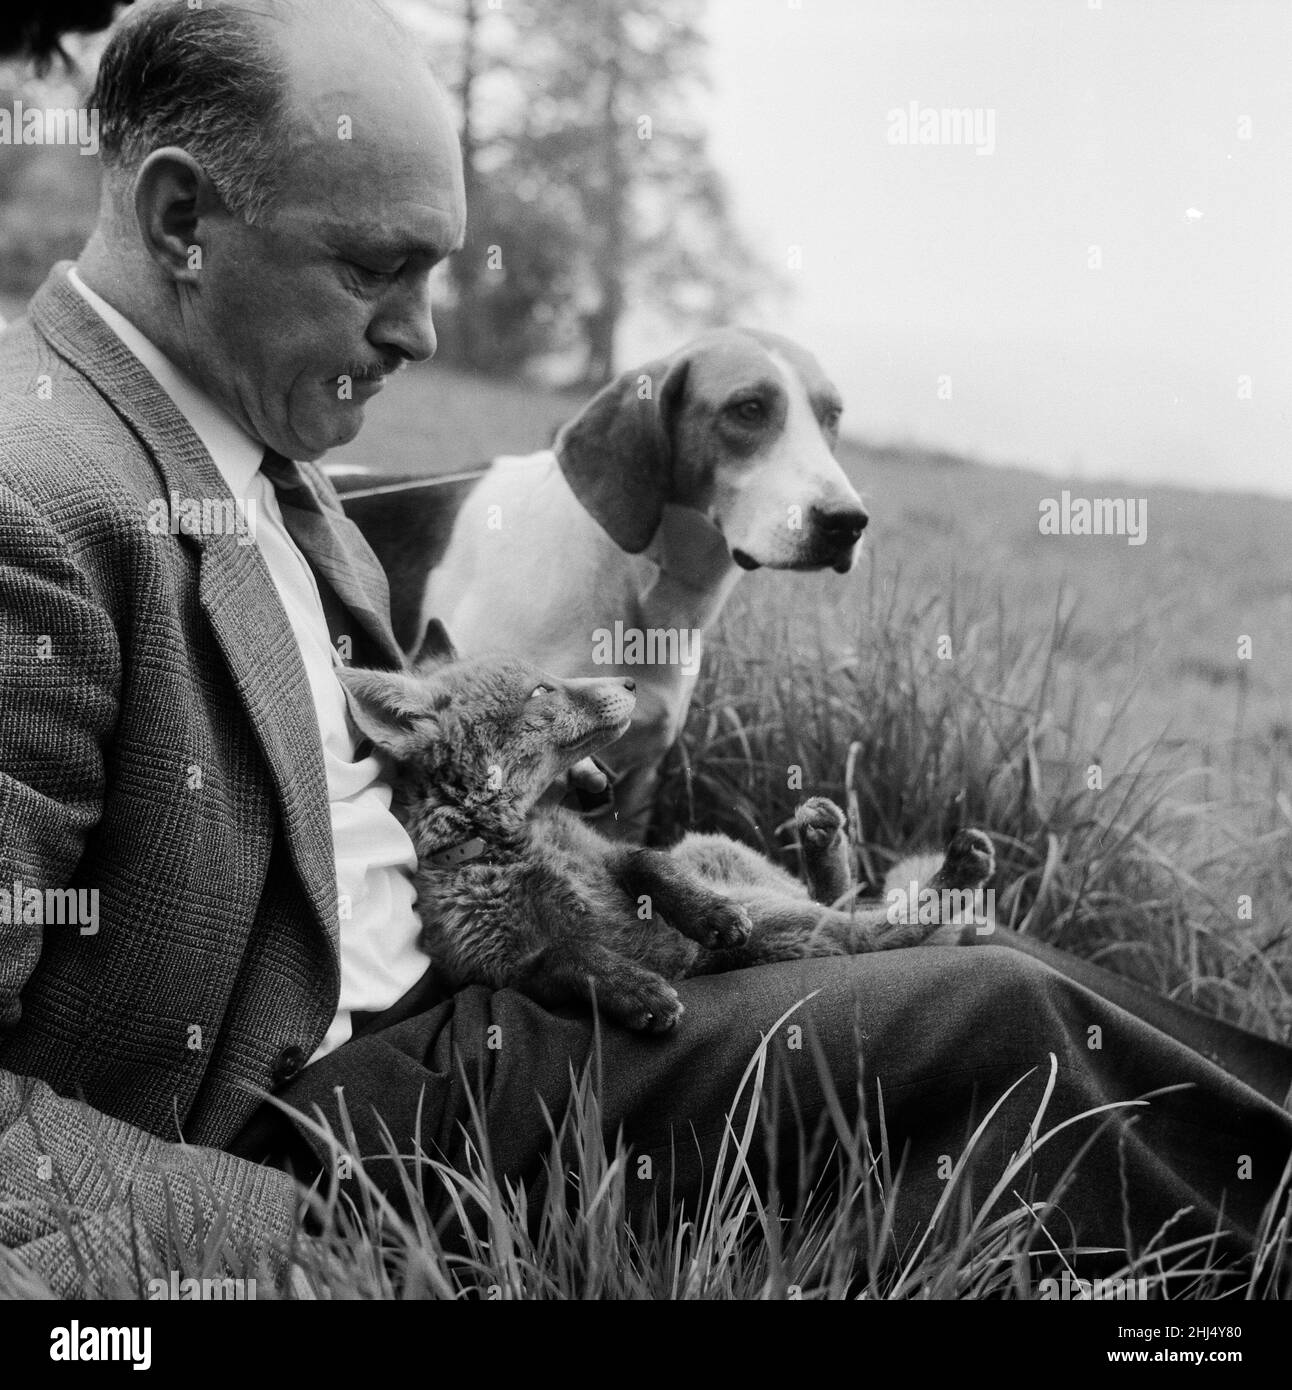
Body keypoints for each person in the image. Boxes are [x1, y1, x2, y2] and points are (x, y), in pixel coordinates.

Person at [1, 0, 1288, 1298]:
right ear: (181, 219)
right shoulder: (38, 513)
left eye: (434, 270)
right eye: (375, 267)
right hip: (341, 1125)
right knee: (997, 1019)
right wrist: (293, 1239)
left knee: (976, 967)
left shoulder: (255, 445)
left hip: (499, 976)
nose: (423, 331)